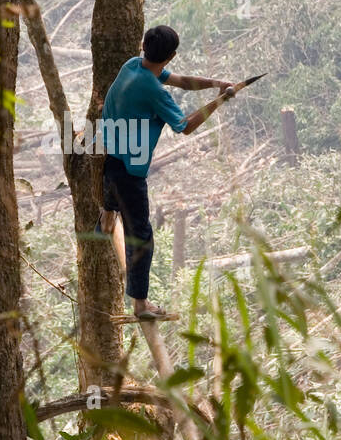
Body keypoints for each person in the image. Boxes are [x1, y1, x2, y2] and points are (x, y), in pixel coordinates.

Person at [96, 24, 239, 321]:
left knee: (111, 193)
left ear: (142, 44)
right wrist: (220, 100)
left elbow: (183, 82)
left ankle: (108, 216)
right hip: (129, 170)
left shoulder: (132, 66)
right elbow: (184, 126)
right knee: (142, 235)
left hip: (107, 154)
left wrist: (215, 82)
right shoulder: (153, 90)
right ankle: (141, 304)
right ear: (172, 55)